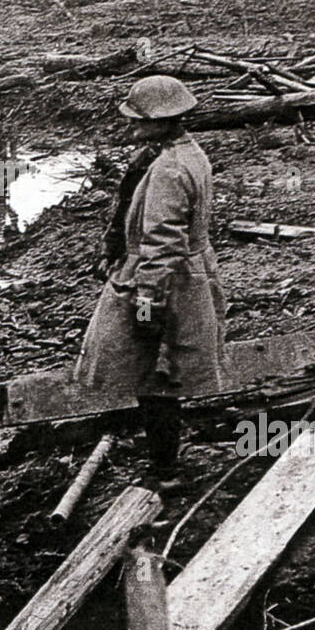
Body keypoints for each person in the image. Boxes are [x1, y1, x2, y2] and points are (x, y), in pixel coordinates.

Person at [72, 74, 227, 490]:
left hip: (163, 285)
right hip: (186, 277)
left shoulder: (168, 170)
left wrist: (146, 307)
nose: (131, 125)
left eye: (139, 119)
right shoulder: (186, 153)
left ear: (164, 120)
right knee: (161, 376)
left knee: (156, 375)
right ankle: (163, 463)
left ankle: (165, 471)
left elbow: (162, 244)